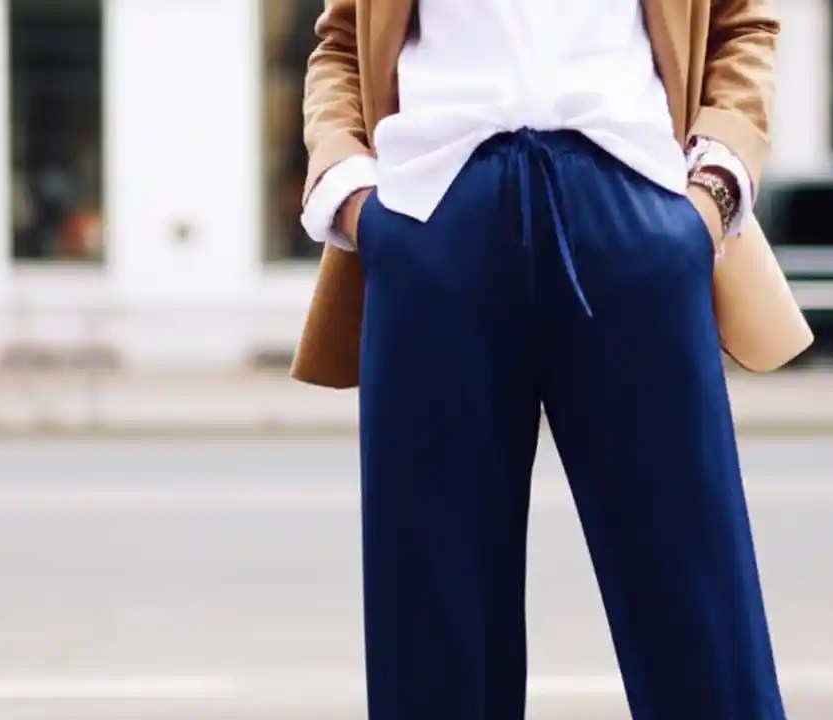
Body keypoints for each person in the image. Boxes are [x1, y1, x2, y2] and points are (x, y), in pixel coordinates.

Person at [294, 0, 805, 717]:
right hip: (430, 220)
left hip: (635, 210)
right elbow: (343, 43)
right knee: (434, 621)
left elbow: (741, 24)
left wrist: (710, 196)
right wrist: (356, 202)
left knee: (696, 603)